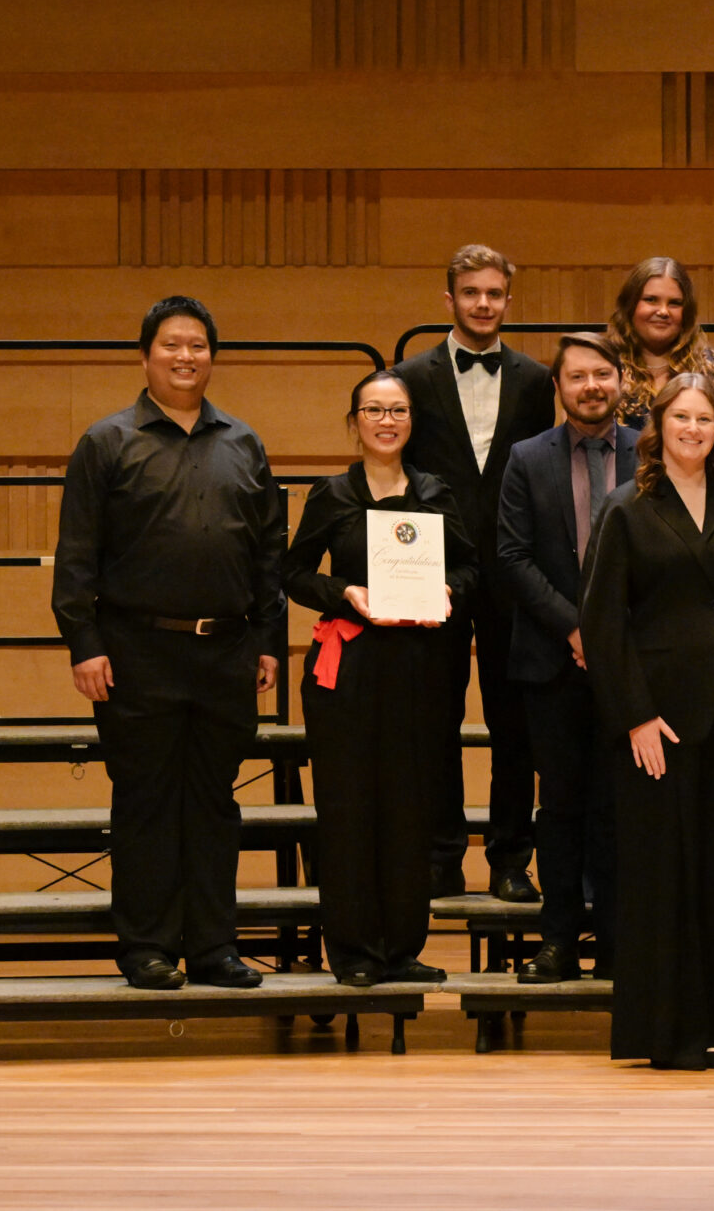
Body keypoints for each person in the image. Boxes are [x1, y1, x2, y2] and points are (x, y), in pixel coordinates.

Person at [52, 296, 284, 991]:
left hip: (228, 653)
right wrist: (83, 642)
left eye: (198, 346)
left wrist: (271, 642)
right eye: (171, 346)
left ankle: (214, 946)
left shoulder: (244, 442)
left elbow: (269, 554)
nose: (186, 357)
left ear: (213, 356)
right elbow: (76, 556)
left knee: (215, 803)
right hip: (135, 652)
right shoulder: (106, 441)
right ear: (146, 356)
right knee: (147, 801)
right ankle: (147, 946)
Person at [581, 373, 714, 1069]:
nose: (693, 429)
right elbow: (603, 623)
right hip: (658, 723)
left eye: (705, 419)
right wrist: (634, 714)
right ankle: (666, 1034)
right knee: (662, 877)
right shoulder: (626, 507)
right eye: (681, 418)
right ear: (659, 426)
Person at [287, 371, 475, 987]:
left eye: (397, 411)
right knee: (348, 810)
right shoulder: (332, 494)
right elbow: (291, 573)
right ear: (355, 421)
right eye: (373, 410)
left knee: (409, 810)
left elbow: (473, 568)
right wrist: (343, 593)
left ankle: (403, 947)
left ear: (411, 421)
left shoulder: (437, 493)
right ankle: (354, 952)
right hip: (347, 671)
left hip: (419, 670)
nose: (386, 421)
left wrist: (449, 588)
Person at [397, 243, 556, 902]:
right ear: (450, 299)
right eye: (472, 293)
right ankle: (439, 855)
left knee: (513, 721)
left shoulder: (536, 379)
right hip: (430, 569)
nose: (484, 304)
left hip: (515, 569)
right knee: (432, 716)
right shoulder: (407, 376)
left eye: (495, 293)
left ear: (507, 301)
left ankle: (510, 856)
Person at [496, 334, 640, 984]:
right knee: (558, 808)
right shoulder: (527, 458)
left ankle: (616, 940)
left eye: (601, 374)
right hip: (551, 661)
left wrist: (611, 634)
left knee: (622, 806)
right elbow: (514, 557)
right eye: (578, 376)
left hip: (632, 660)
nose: (591, 385)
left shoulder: (652, 452)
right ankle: (557, 939)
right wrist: (576, 629)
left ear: (620, 380)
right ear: (559, 386)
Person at [605, 255, 714, 429]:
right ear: (630, 306)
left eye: (674, 303)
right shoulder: (603, 370)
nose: (663, 311)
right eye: (651, 300)